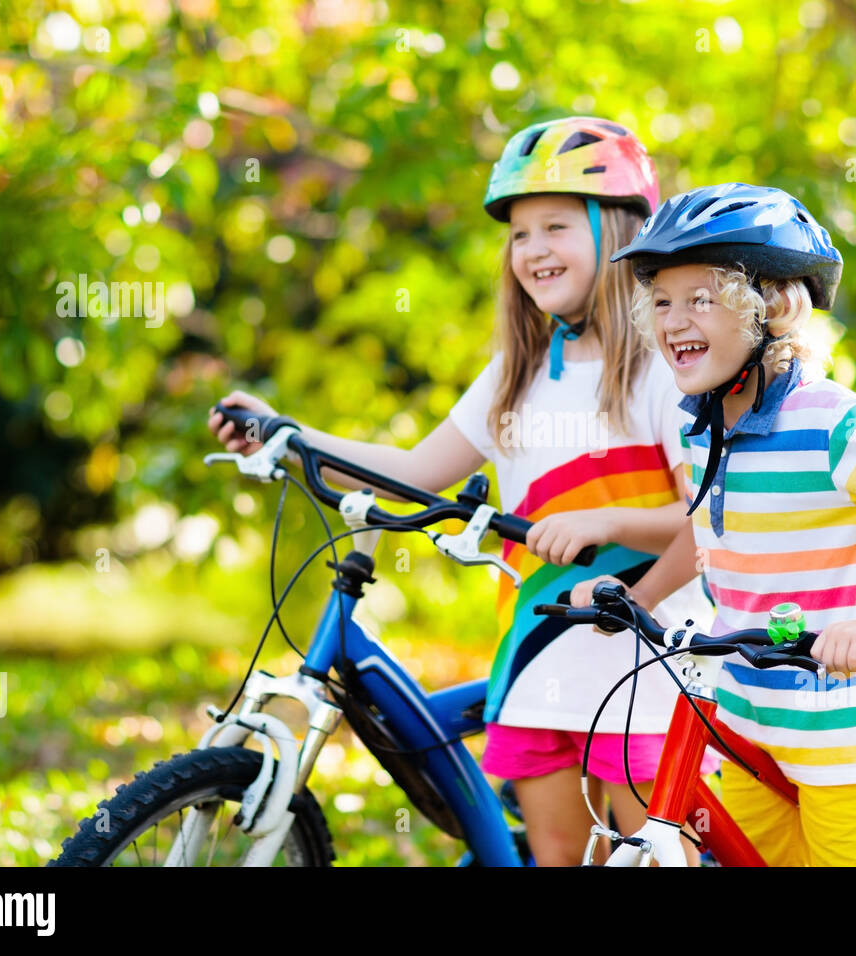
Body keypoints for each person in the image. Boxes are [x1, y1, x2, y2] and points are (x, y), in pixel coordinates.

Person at [209, 117, 714, 866]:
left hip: (647, 664)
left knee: (647, 857)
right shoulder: (520, 371)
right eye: (518, 234)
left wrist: (602, 521)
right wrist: (291, 436)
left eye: (556, 226)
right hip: (539, 662)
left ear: (621, 232)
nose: (533, 249)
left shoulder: (662, 370)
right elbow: (412, 474)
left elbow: (709, 522)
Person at [572, 182, 856, 866]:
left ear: (768, 308)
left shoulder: (831, 421)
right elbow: (709, 528)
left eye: (701, 299)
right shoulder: (697, 423)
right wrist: (640, 596)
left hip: (841, 733)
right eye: (664, 301)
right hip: (747, 722)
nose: (675, 319)